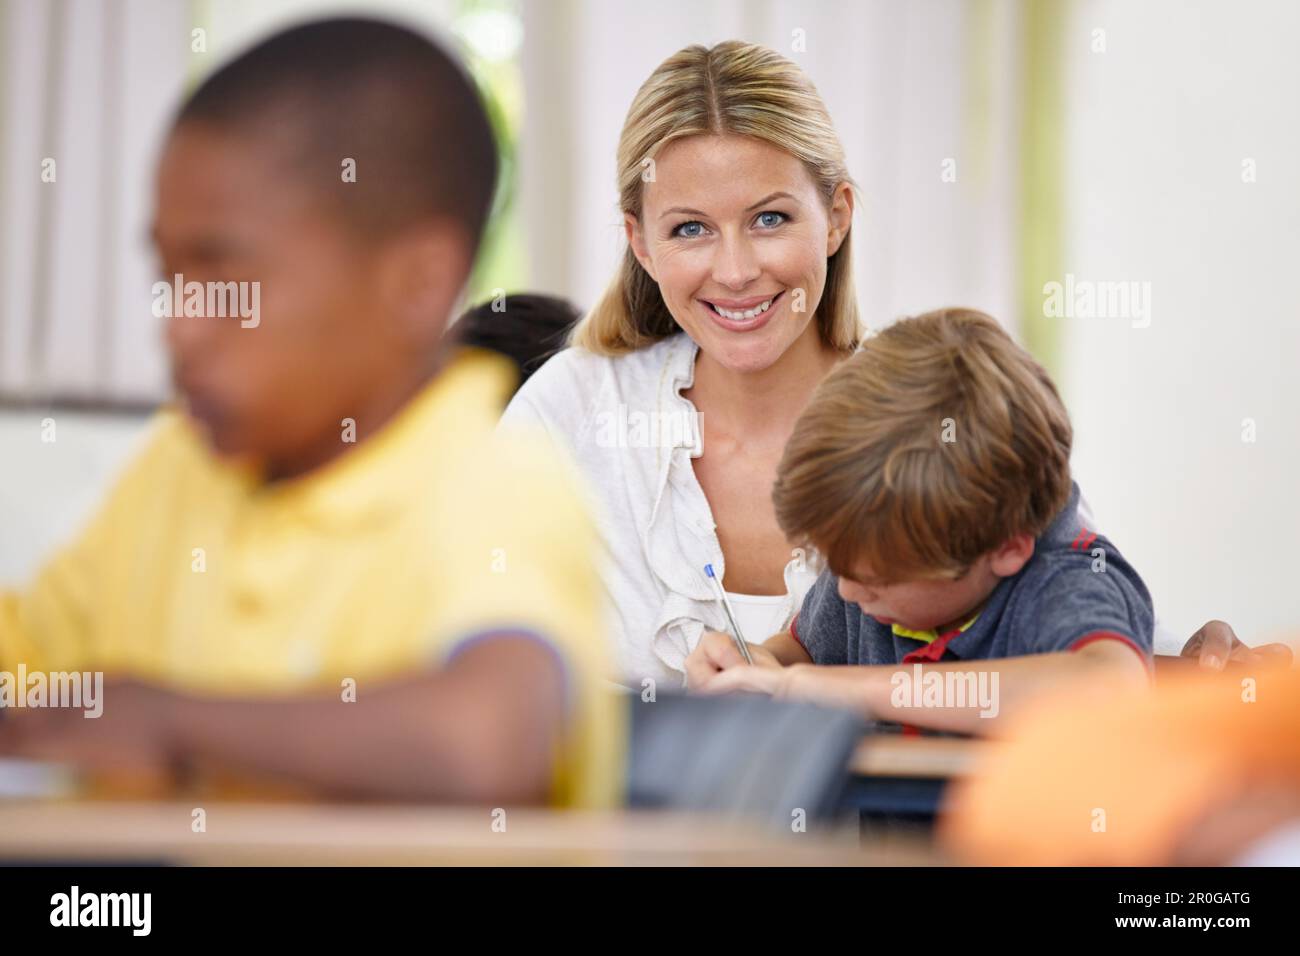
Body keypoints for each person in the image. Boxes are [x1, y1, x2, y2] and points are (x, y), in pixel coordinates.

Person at [500, 40, 1281, 690]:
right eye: (690, 229)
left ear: (836, 216)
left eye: (770, 219)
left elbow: (1061, 615)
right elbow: (467, 659)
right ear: (640, 242)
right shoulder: (568, 417)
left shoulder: (933, 405)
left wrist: (1190, 662)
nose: (735, 271)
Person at [0, 18, 620, 807]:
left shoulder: (495, 482)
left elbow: (485, 742)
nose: (180, 325)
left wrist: (168, 720)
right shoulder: (178, 467)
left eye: (227, 276)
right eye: (170, 273)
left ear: (416, 284)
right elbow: (29, 670)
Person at [685, 309, 1151, 732]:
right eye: (837, 566)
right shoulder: (863, 573)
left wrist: (845, 689)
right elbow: (800, 657)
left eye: (878, 580)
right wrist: (752, 665)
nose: (846, 591)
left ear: (1007, 549)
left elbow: (1109, 689)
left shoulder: (1065, 580)